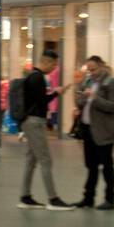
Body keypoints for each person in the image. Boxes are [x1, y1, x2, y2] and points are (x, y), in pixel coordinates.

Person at [17, 51, 75, 211]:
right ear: (47, 62)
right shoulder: (38, 78)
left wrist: (55, 92)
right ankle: (53, 199)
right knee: (45, 160)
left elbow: (38, 100)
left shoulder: (32, 76)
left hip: (29, 121)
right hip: (35, 122)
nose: (54, 68)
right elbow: (42, 102)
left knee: (31, 159)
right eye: (54, 65)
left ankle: (25, 197)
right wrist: (56, 92)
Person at [73, 56, 114, 210]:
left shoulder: (111, 83)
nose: (90, 73)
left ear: (102, 66)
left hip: (104, 132)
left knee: (107, 166)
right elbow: (81, 103)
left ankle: (110, 199)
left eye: (93, 69)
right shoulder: (87, 82)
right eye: (88, 70)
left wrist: (95, 98)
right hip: (88, 130)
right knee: (91, 166)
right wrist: (80, 98)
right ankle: (88, 198)